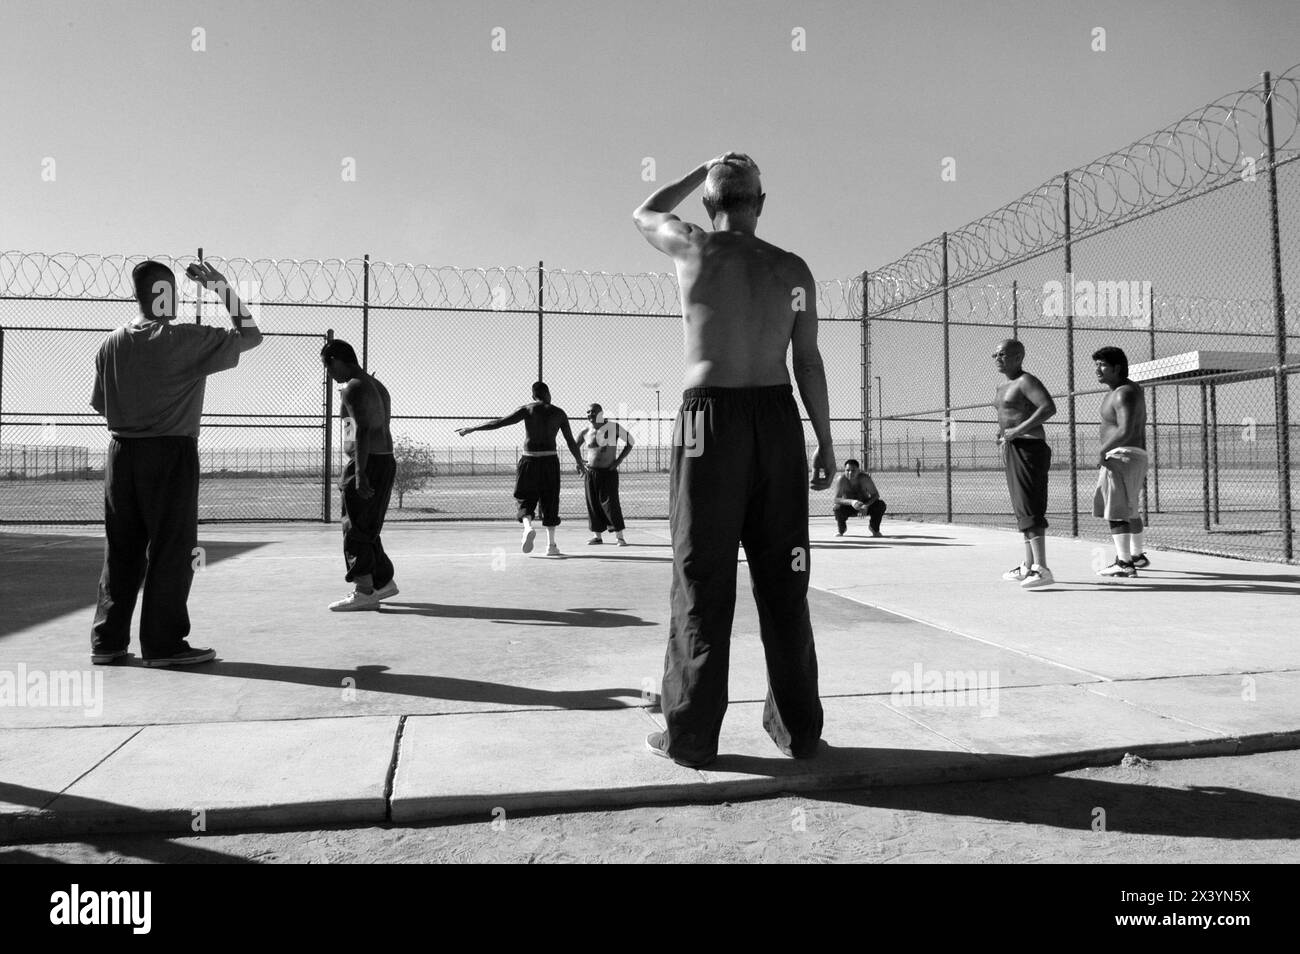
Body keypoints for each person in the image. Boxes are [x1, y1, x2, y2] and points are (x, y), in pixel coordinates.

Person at [634, 152, 834, 767]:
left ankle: (691, 734)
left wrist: (700, 167)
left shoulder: (692, 247)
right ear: (762, 204)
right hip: (776, 421)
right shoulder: (792, 268)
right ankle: (799, 731)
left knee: (701, 575)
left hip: (707, 423)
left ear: (708, 204)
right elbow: (807, 362)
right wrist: (825, 439)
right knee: (785, 578)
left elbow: (644, 211)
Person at [89, 258, 263, 666]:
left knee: (122, 550)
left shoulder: (111, 343)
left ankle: (108, 642)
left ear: (137, 294)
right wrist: (220, 287)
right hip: (170, 452)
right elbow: (251, 335)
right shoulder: (184, 338)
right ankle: (163, 645)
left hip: (120, 453)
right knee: (171, 549)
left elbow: (101, 405)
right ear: (167, 294)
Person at [456, 383, 585, 556]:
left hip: (529, 459)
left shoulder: (527, 409)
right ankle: (551, 546)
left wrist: (473, 428)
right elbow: (570, 441)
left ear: (533, 396)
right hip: (549, 459)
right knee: (550, 499)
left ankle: (527, 528)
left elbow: (499, 422)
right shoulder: (559, 412)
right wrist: (579, 461)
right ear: (548, 393)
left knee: (525, 498)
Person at [323, 339, 399, 610]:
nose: (330, 376)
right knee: (367, 527)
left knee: (354, 528)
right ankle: (382, 582)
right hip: (384, 460)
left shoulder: (353, 388)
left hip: (367, 463)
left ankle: (364, 591)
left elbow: (363, 430)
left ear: (336, 360)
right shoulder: (375, 386)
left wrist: (360, 472)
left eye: (328, 367)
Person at [993, 339, 1057, 590]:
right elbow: (1007, 416)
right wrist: (1002, 435)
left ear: (1018, 357)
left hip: (1030, 448)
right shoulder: (1002, 386)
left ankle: (1042, 568)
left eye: (1003, 354)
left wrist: (1017, 430)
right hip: (1012, 447)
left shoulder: (1026, 381)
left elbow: (1048, 408)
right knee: (1022, 508)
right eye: (995, 355)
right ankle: (1029, 565)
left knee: (1030, 506)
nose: (997, 358)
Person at [1092, 346, 1149, 577]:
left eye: (1102, 365)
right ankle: (1137, 555)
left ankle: (1124, 563)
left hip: (1121, 456)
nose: (1097, 369)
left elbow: (1125, 429)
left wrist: (1102, 451)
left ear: (1117, 367)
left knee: (1116, 510)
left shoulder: (1123, 392)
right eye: (1096, 364)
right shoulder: (1130, 390)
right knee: (1129, 508)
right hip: (1133, 456)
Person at [577, 403, 634, 545]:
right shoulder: (585, 431)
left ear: (601, 413)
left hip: (608, 472)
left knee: (611, 504)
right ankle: (598, 537)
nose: (590, 414)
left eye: (594, 411)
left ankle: (619, 537)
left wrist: (619, 460)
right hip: (591, 473)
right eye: (588, 411)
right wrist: (579, 462)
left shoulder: (613, 427)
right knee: (593, 504)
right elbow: (574, 446)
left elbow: (630, 442)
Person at [830, 459, 886, 536]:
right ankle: (841, 529)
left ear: (858, 470)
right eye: (847, 470)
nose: (850, 473)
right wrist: (852, 502)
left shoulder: (865, 478)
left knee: (880, 504)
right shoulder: (841, 480)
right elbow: (836, 499)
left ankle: (874, 528)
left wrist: (866, 505)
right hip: (849, 507)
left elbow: (875, 495)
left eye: (853, 470)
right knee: (837, 507)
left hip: (864, 506)